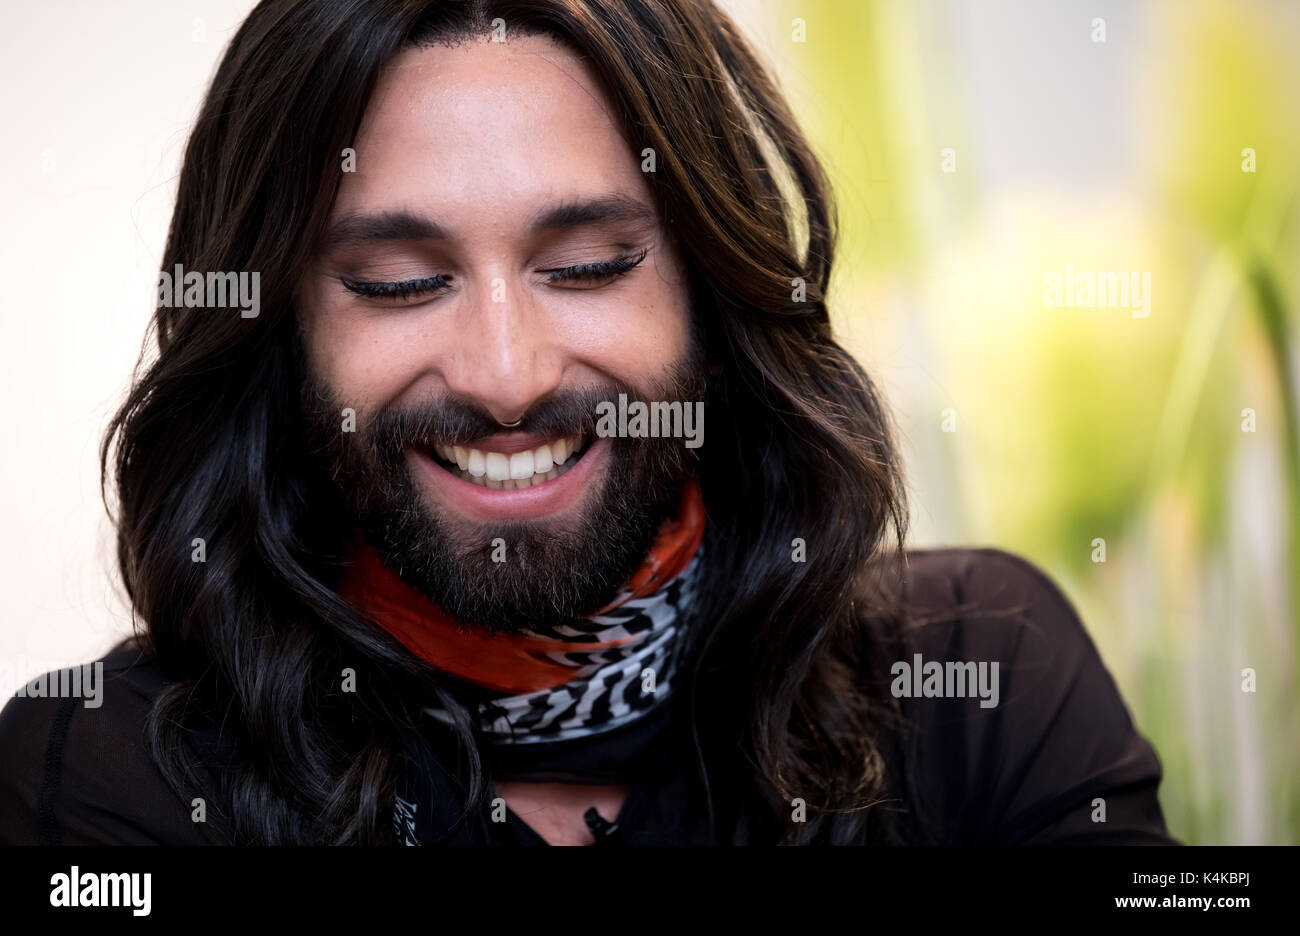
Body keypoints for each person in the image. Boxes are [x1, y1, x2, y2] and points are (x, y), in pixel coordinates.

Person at [0, 0, 1175, 846]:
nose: (506, 376)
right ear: (279, 333)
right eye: (399, 283)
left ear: (713, 304)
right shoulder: (108, 774)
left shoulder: (977, 675)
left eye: (590, 265)